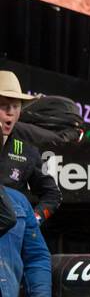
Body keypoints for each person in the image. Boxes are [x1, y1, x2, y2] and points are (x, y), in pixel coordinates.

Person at [0, 72, 63, 225]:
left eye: (15, 106)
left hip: (11, 235)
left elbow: (53, 195)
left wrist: (34, 220)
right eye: (3, 106)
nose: (11, 112)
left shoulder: (26, 148)